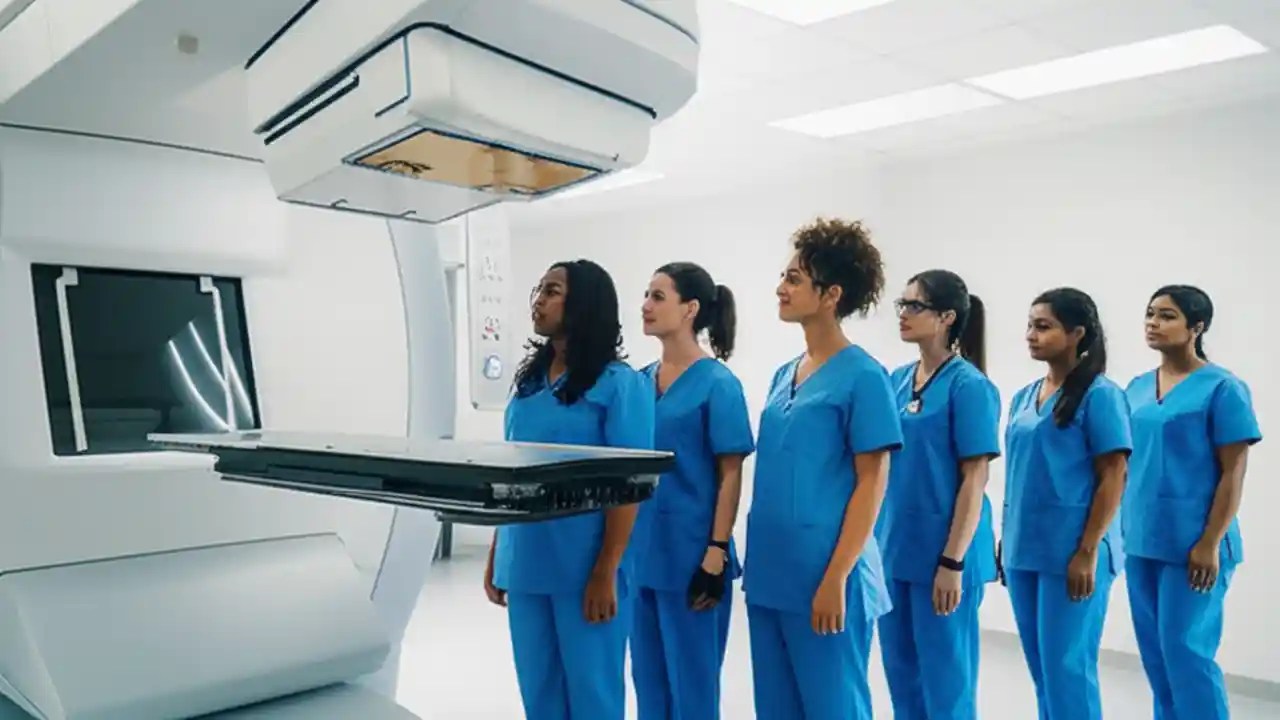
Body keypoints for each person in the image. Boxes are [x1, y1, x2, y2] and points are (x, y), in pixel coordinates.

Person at [744, 217, 902, 720]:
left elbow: (872, 481)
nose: (781, 288)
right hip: (771, 570)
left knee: (835, 706)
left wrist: (837, 576)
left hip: (827, 574)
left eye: (794, 278)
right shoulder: (782, 375)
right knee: (776, 708)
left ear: (831, 293)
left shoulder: (864, 377)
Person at [482, 259, 654, 720]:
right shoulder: (529, 384)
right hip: (526, 560)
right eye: (539, 288)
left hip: (585, 564)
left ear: (583, 304)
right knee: (539, 694)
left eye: (552, 290)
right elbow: (511, 471)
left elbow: (630, 484)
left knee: (593, 696)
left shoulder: (620, 385)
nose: (538, 298)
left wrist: (606, 570)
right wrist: (499, 549)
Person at [1123, 285, 1262, 720]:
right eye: (1149, 314)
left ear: (1196, 327)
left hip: (1195, 545)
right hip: (1142, 540)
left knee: (1186, 655)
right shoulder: (1137, 387)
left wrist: (1209, 541)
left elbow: (1233, 471)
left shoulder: (1223, 388)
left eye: (1166, 316)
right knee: (1157, 660)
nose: (1153, 323)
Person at [630, 261, 755, 720]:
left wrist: (716, 551)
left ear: (691, 309)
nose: (645, 305)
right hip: (641, 556)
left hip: (693, 559)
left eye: (658, 296)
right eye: (646, 294)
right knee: (648, 685)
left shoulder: (718, 384)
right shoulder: (638, 383)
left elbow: (730, 473)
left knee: (693, 688)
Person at [1002, 287, 1131, 720]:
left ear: (1076, 333)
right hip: (1027, 550)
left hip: (1074, 553)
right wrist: (1007, 538)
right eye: (1030, 325)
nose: (1031, 335)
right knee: (1043, 670)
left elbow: (1114, 476)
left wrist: (1088, 549)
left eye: (1043, 326)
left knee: (1067, 668)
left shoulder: (1100, 395)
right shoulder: (1024, 397)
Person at [877, 270, 1000, 720]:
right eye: (902, 305)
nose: (904, 315)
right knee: (901, 673)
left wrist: (952, 562)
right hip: (897, 549)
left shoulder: (970, 387)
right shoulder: (895, 380)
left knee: (946, 680)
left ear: (947, 317)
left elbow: (975, 478)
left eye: (915, 306)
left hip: (945, 556)